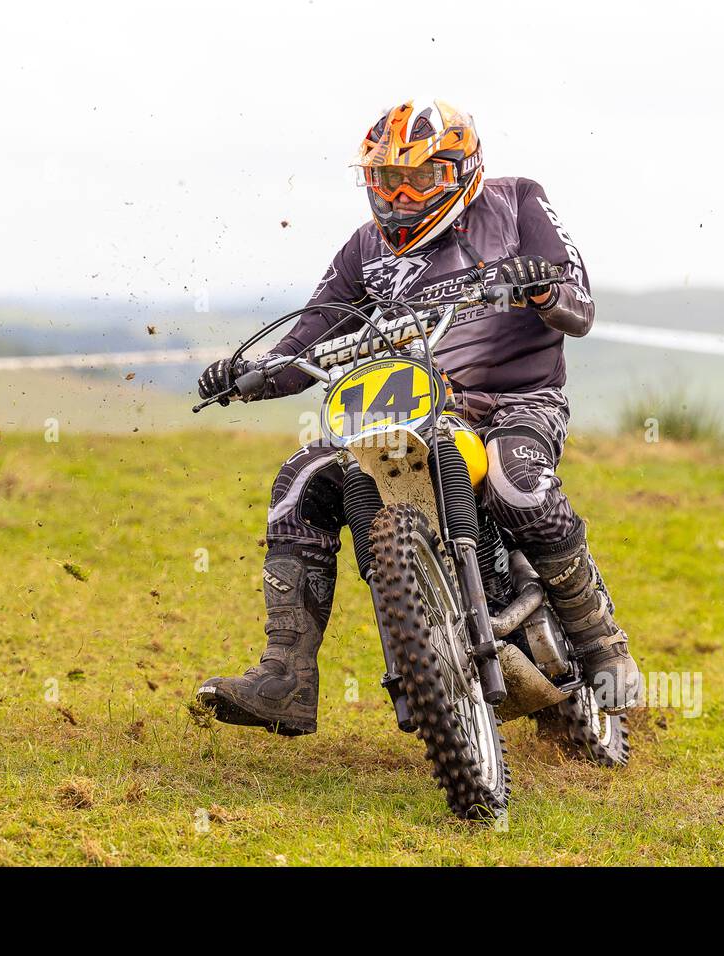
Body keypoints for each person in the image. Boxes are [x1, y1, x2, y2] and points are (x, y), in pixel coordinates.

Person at [195, 97, 640, 736]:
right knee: (300, 482)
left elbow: (579, 305)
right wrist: (246, 375)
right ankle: (285, 677)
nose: (401, 197)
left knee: (519, 485)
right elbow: (307, 339)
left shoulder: (517, 204)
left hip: (515, 404)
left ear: (462, 172)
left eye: (420, 179)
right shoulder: (361, 250)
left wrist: (542, 287)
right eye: (385, 180)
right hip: (404, 408)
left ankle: (601, 643)